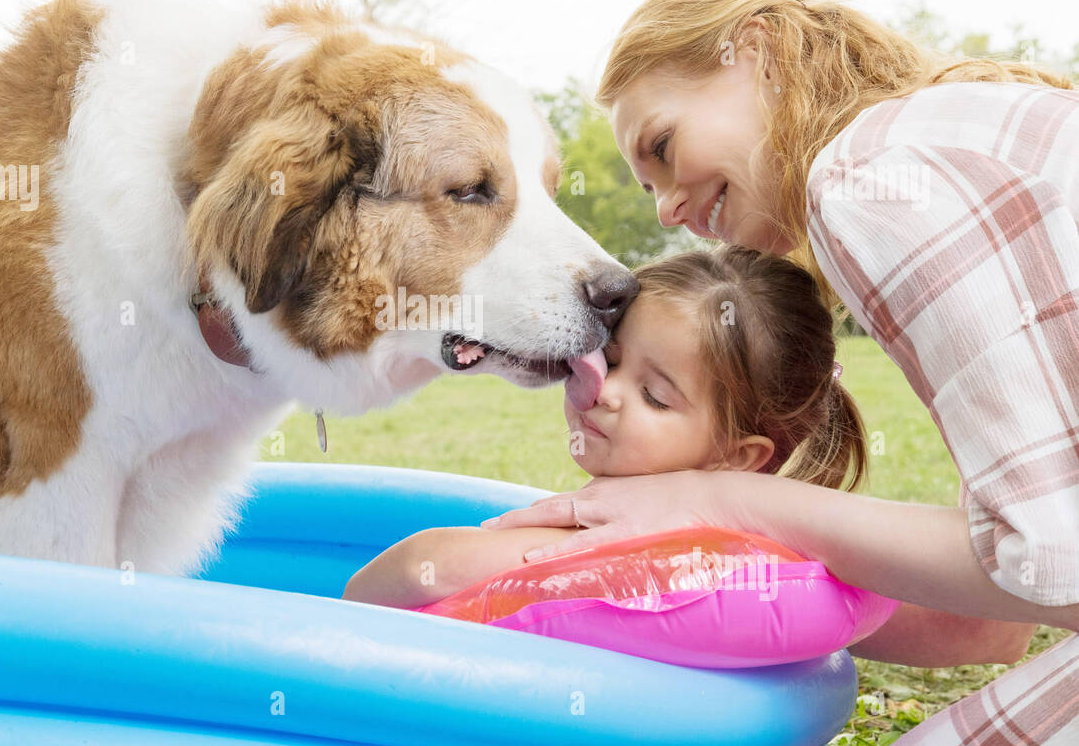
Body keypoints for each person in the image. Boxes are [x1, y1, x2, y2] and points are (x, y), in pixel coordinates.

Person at [484, 0, 1079, 746]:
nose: (666, 208)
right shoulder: (938, 133)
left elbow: (1049, 570)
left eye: (663, 145)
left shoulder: (869, 182)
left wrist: (726, 502)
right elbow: (995, 622)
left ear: (758, 51)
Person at [344, 246, 869, 608]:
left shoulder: (668, 544)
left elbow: (419, 568)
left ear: (738, 457)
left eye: (655, 397)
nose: (608, 392)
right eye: (610, 360)